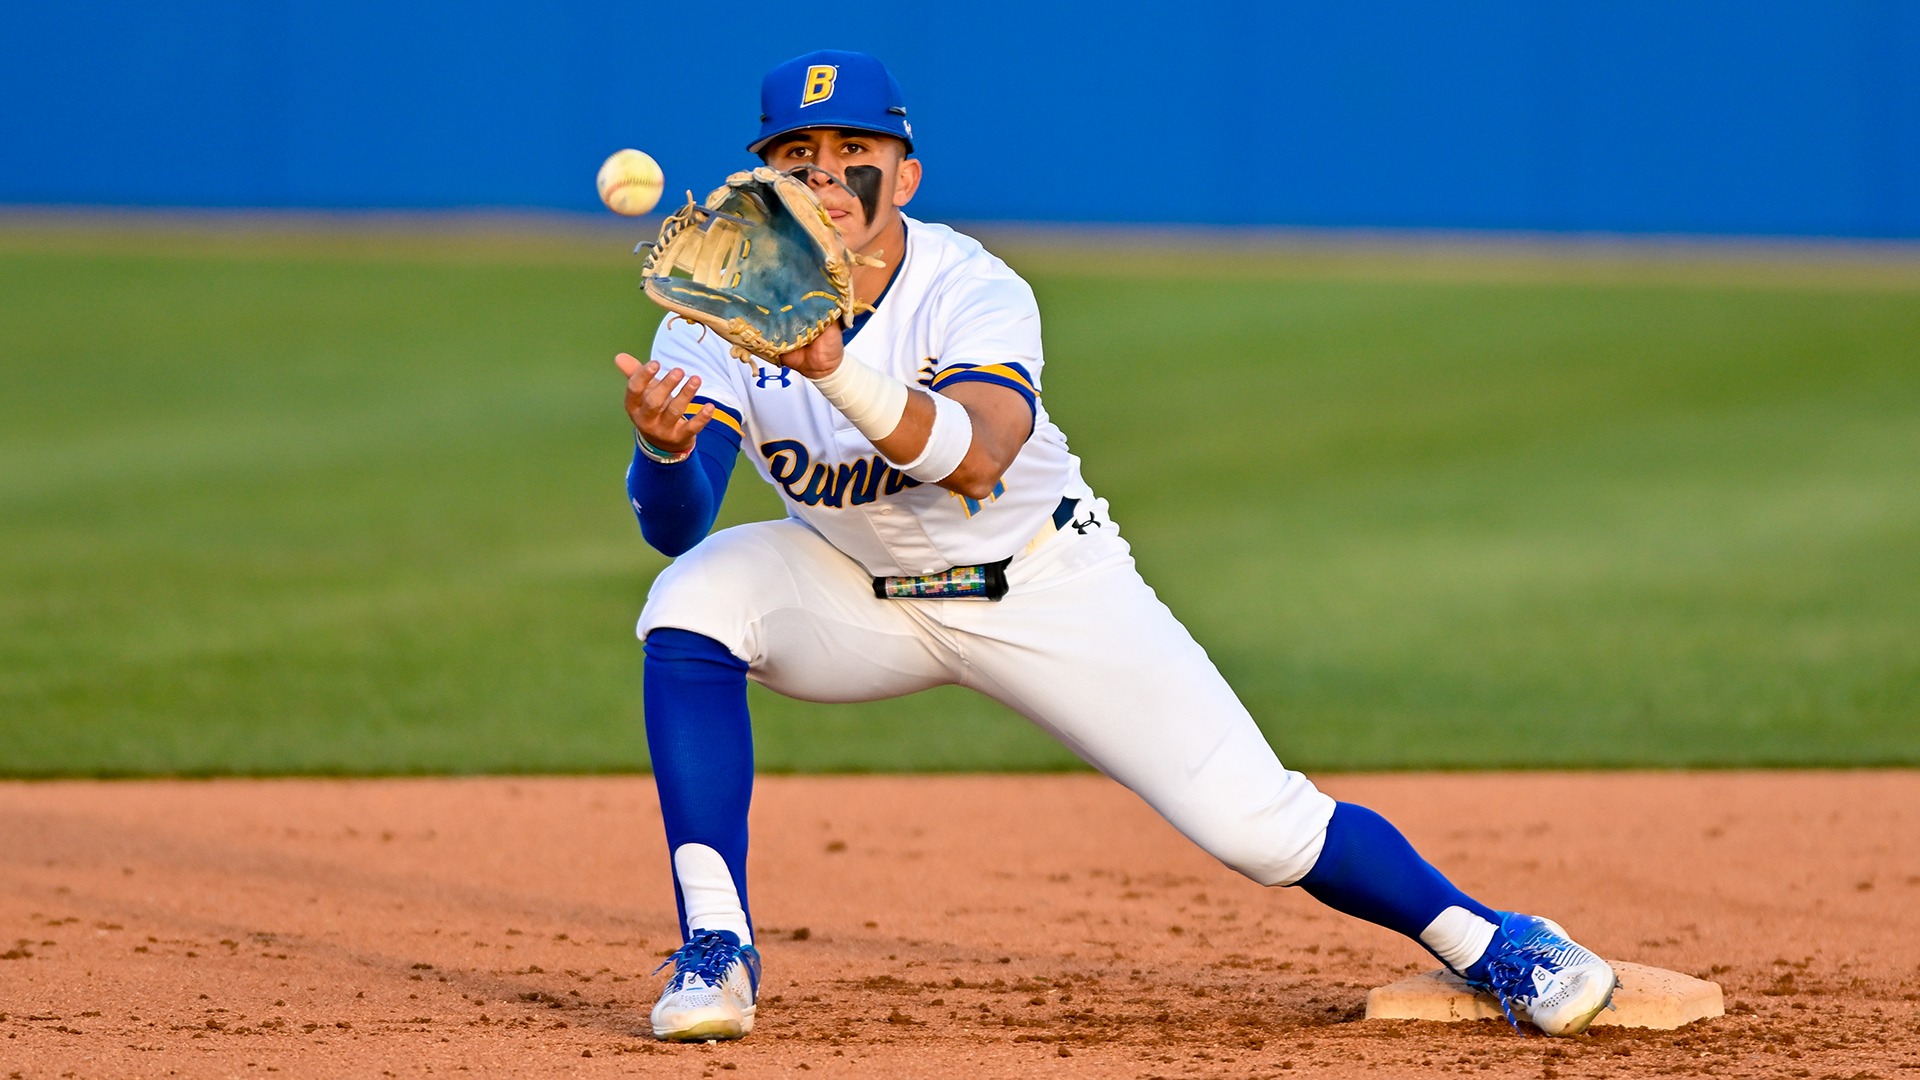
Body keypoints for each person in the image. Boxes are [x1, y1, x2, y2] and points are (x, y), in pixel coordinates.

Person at [617, 49, 1619, 1043]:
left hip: (1044, 584)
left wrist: (832, 370)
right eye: (797, 151)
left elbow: (972, 461)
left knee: (1260, 829)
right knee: (693, 600)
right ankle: (717, 946)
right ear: (764, 174)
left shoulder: (970, 286)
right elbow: (677, 523)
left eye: (853, 147)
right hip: (854, 592)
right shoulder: (724, 307)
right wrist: (664, 451)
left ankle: (1495, 942)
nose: (824, 171)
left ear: (907, 174)